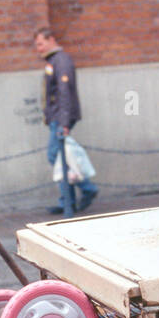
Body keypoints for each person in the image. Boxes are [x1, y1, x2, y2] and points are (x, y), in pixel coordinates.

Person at [34, 26, 98, 214]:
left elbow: (64, 94)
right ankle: (67, 201)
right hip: (56, 117)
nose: (39, 48)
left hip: (60, 117)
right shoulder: (54, 61)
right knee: (60, 157)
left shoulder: (60, 61)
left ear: (51, 39)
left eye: (40, 44)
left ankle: (87, 189)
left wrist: (63, 123)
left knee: (56, 155)